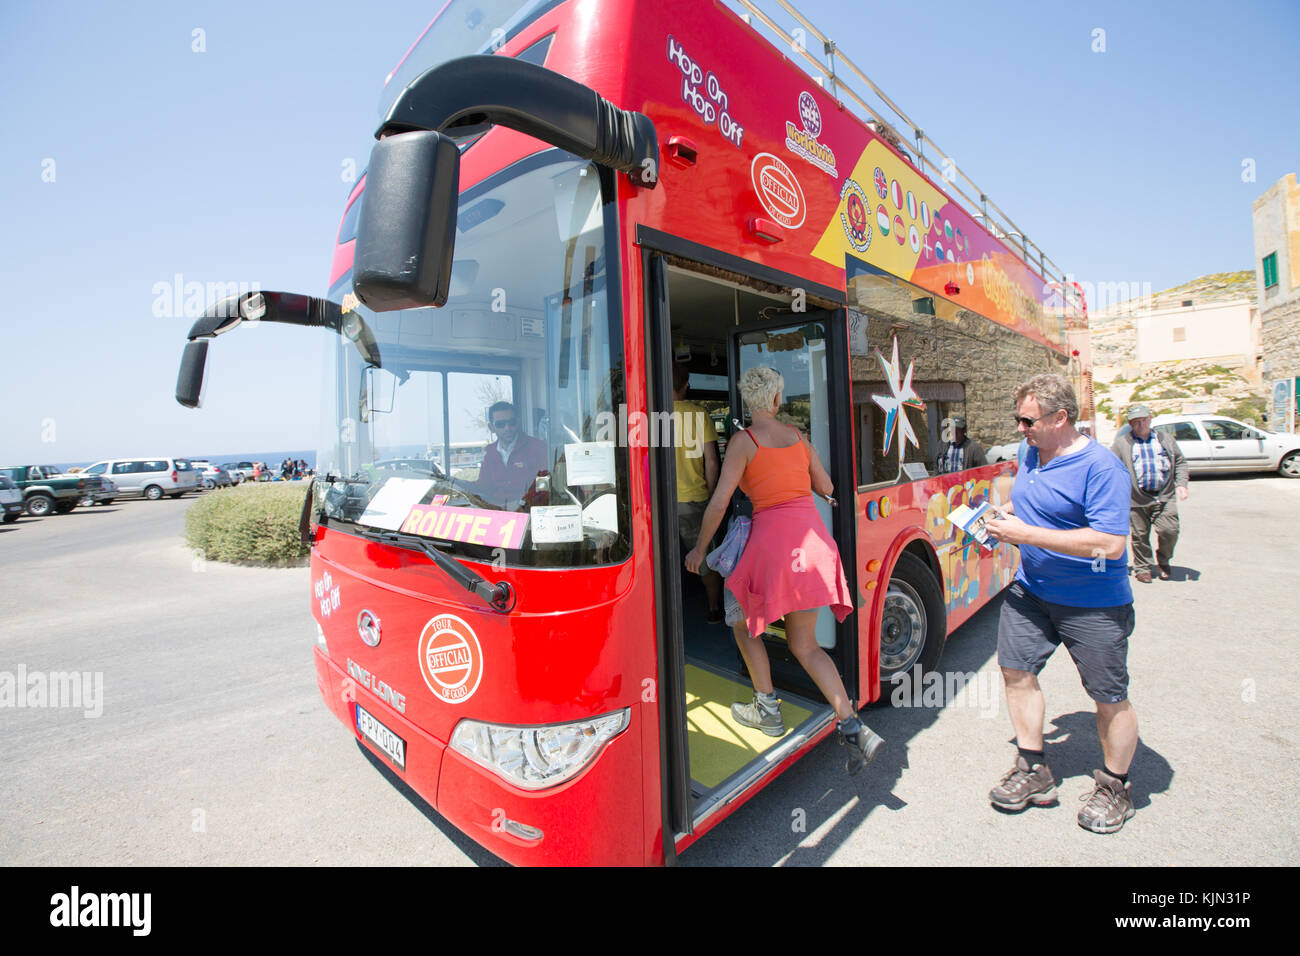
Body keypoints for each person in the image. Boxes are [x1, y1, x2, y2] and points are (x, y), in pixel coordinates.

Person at [684, 366, 884, 774]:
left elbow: (721, 502)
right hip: (812, 546)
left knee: (741, 624)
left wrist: (700, 549)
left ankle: (766, 707)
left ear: (747, 401)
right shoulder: (798, 437)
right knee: (805, 645)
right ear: (776, 400)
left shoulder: (743, 441)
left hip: (770, 549)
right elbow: (826, 487)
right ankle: (852, 725)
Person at [984, 374, 1139, 834]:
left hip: (1092, 602)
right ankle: (1034, 771)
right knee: (1016, 672)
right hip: (1032, 590)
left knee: (1107, 697)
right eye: (1017, 419)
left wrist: (1024, 534)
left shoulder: (1101, 468)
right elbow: (1024, 500)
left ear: (1060, 417)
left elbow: (1109, 544)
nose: (1019, 429)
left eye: (1027, 420)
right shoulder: (1031, 452)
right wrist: (1001, 514)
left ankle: (1115, 788)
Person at [1111, 404, 1188, 583]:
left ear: (1150, 419)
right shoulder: (1122, 443)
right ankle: (1142, 567)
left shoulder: (1165, 439)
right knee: (1139, 536)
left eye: (1144, 420)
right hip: (1137, 498)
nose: (1141, 424)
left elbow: (1181, 461)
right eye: (1136, 422)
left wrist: (1182, 484)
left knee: (1169, 530)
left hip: (1164, 495)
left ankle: (1164, 559)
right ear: (1131, 423)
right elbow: (1111, 467)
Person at [672, 364, 724, 623]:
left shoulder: (652, 417)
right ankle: (714, 608)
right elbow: (712, 460)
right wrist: (713, 494)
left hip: (661, 503)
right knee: (704, 557)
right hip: (695, 499)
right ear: (685, 385)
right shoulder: (698, 415)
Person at [474, 401, 549, 509]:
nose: (507, 428)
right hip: (499, 515)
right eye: (501, 424)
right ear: (491, 427)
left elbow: (544, 487)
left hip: (531, 514)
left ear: (517, 423)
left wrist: (522, 504)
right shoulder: (490, 455)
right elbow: (483, 488)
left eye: (511, 422)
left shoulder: (538, 448)